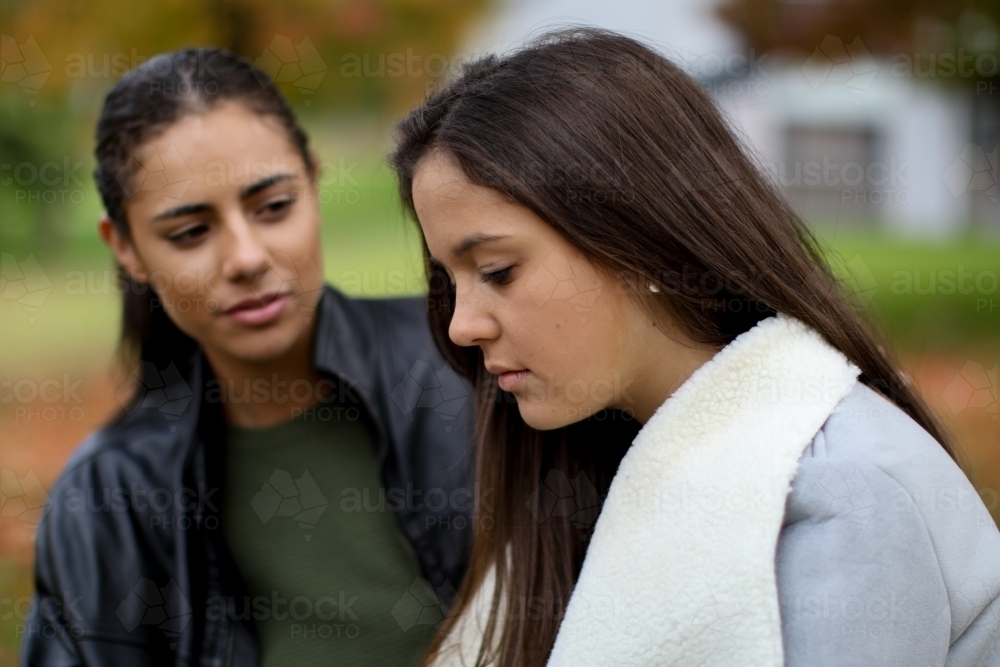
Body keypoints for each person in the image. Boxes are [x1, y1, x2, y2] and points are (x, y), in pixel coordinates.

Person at [389, 27, 1000, 667]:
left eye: (497, 272)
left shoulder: (840, 490)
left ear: (638, 238)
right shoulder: (586, 464)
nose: (461, 326)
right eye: (449, 283)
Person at [22, 48, 475, 667]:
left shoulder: (472, 362)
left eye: (273, 207)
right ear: (124, 247)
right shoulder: (108, 500)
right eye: (190, 233)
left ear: (313, 182)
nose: (246, 258)